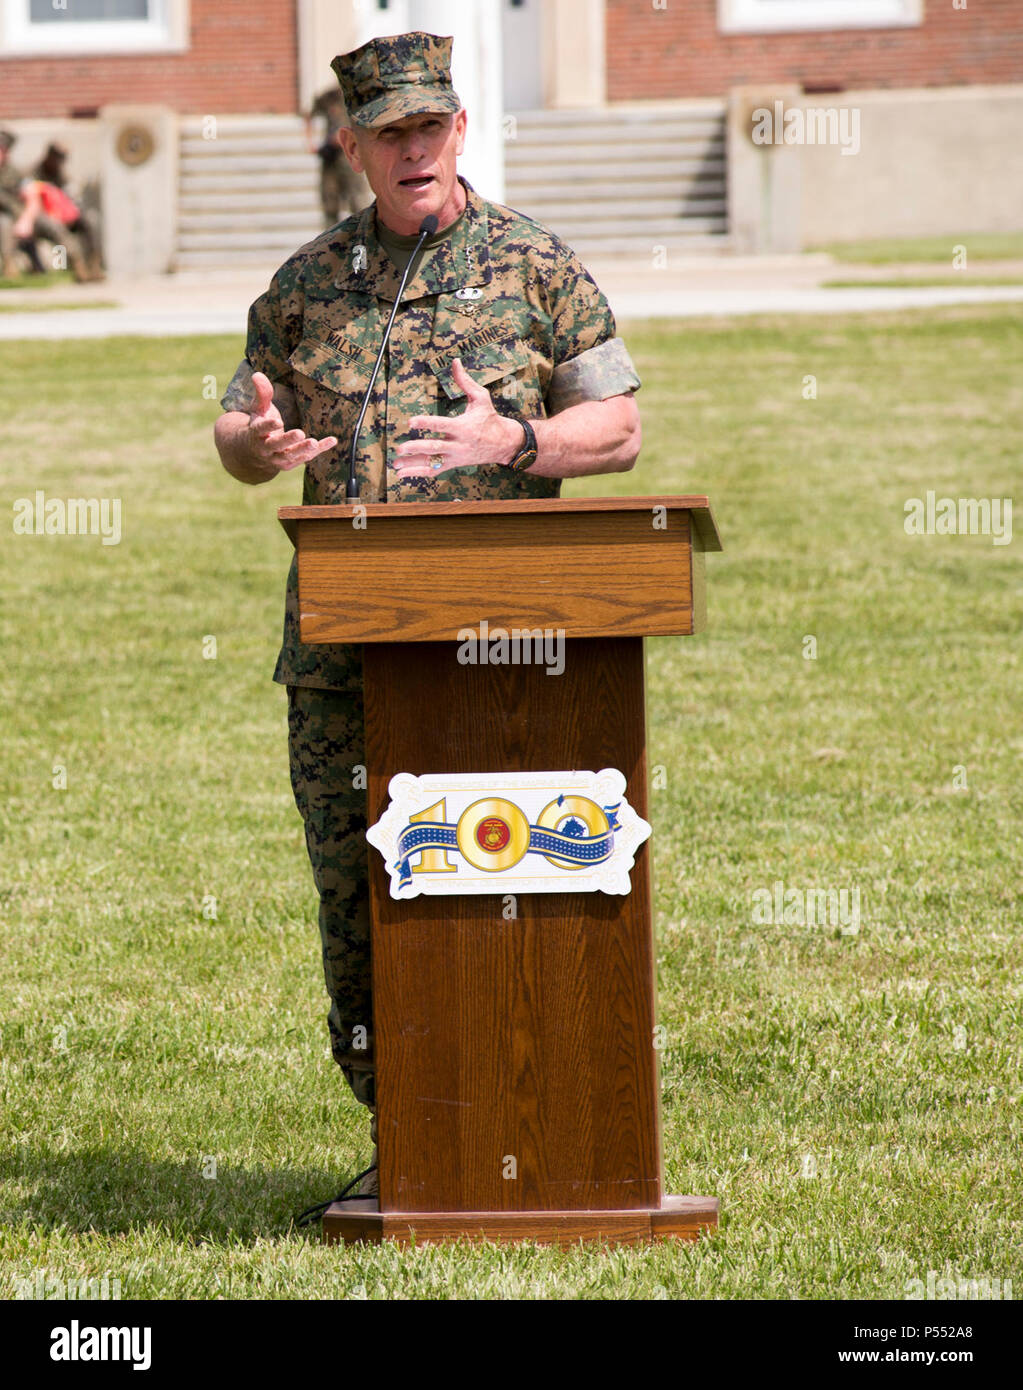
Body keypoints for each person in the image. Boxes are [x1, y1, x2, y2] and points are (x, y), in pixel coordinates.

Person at [213, 31, 642, 1198]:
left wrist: (521, 438)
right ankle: (407, 1135)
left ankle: (549, 1128)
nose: (412, 149)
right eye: (387, 131)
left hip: (507, 655)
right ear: (352, 145)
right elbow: (239, 431)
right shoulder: (303, 288)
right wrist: (252, 444)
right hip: (344, 658)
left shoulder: (538, 267)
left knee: (519, 871)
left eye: (429, 127)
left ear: (459, 131)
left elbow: (621, 428)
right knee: (362, 896)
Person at [0, 130, 101, 282]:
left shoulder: (15, 172)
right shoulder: (32, 171)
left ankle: (81, 265)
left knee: (57, 225)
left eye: (3, 150)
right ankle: (10, 269)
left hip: (26, 216)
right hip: (7, 219)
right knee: (4, 223)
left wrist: (26, 220)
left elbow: (32, 196)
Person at [304, 86, 369, 227]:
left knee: (357, 200)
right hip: (331, 155)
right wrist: (311, 142)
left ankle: (363, 235)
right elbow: (309, 115)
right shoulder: (328, 97)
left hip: (350, 156)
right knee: (329, 200)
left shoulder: (356, 94)